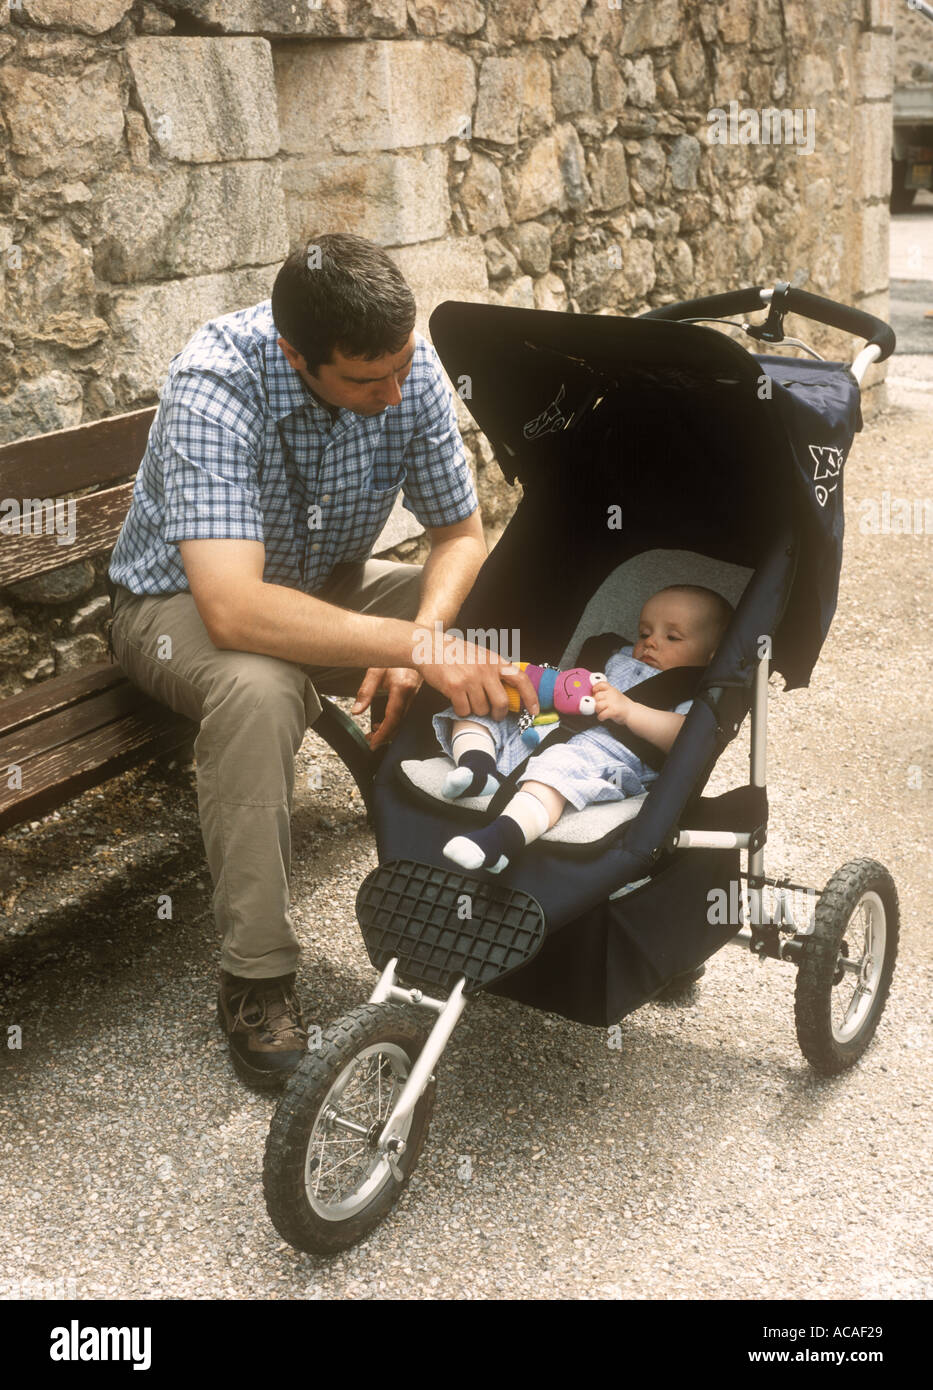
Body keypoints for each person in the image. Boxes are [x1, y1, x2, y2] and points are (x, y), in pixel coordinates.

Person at [106, 232, 538, 1088]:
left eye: (401, 368)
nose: (392, 392)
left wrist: (431, 638)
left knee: (502, 635)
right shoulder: (215, 382)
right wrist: (415, 643)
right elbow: (233, 608)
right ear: (297, 354)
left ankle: (516, 883)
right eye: (363, 381)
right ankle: (256, 977)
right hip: (175, 608)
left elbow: (459, 536)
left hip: (323, 584)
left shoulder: (401, 367)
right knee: (263, 692)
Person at [435, 585, 733, 873]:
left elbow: (688, 740)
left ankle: (502, 839)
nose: (651, 642)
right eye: (645, 633)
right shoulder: (617, 655)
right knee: (484, 704)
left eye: (672, 637)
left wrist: (630, 712)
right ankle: (478, 766)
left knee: (558, 767)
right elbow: (563, 685)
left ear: (712, 656)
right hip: (550, 727)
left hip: (606, 757)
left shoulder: (693, 692)